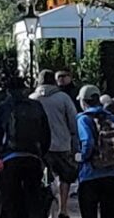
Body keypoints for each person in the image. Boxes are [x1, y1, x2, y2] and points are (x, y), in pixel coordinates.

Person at [0, 75, 51, 218]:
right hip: (33, 156)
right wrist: (41, 154)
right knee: (34, 196)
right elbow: (46, 133)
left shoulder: (4, 107)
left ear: (8, 91)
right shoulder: (36, 106)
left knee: (9, 199)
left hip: (10, 157)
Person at [75, 84, 114, 218]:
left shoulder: (83, 119)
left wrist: (83, 157)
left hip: (90, 174)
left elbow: (88, 141)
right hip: (112, 174)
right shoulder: (112, 118)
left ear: (83, 102)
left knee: (89, 212)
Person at [32, 69, 80, 218]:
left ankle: (46, 209)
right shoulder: (63, 98)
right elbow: (73, 121)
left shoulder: (32, 98)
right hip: (61, 143)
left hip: (39, 146)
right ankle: (63, 208)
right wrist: (74, 140)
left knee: (43, 177)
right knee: (64, 177)